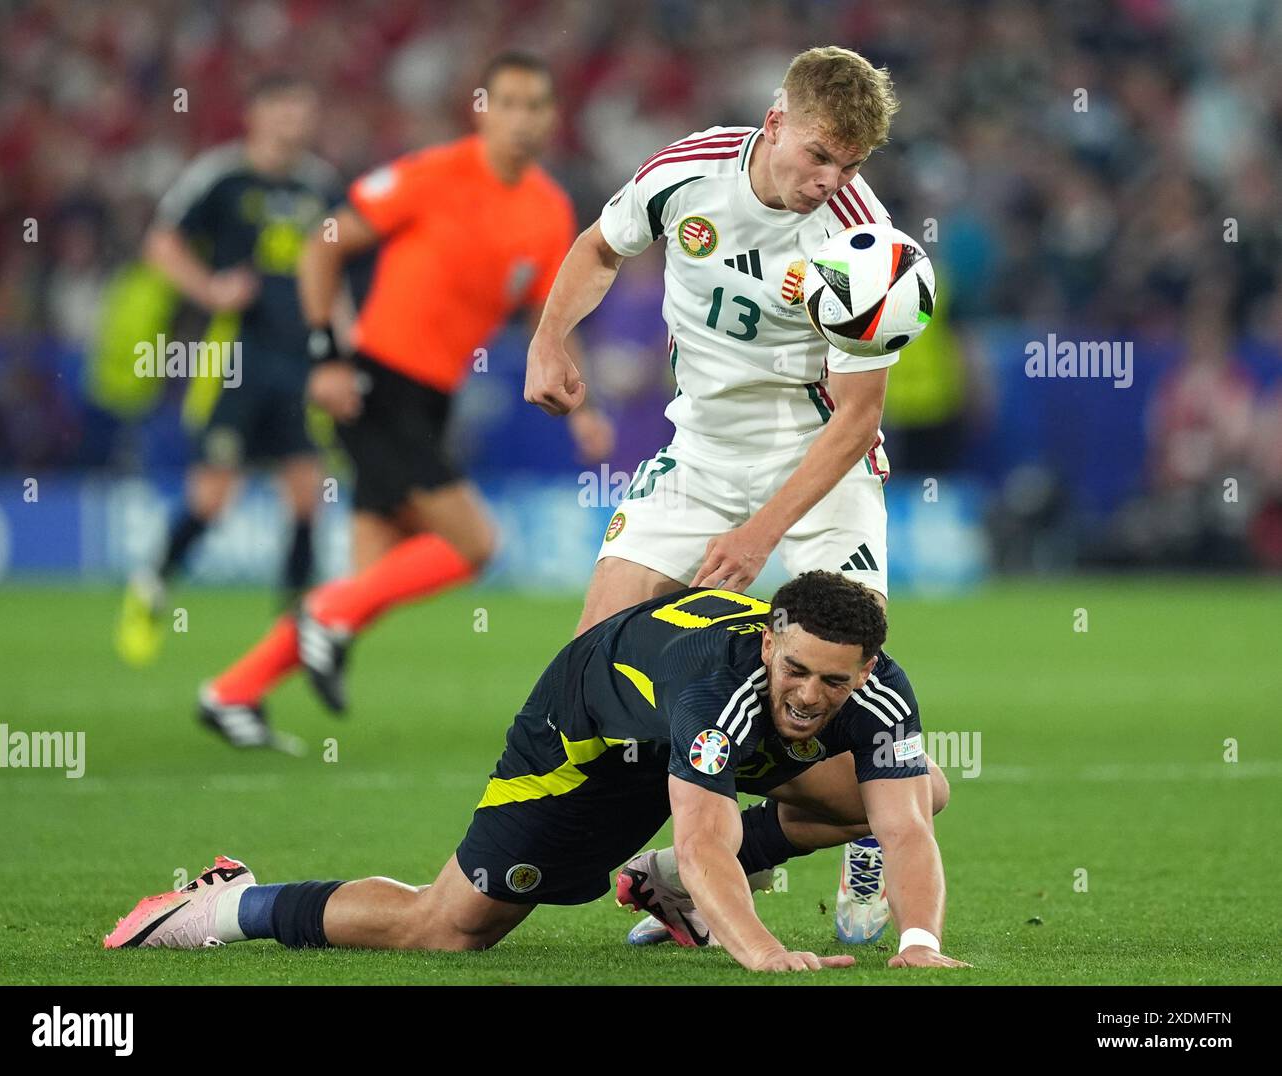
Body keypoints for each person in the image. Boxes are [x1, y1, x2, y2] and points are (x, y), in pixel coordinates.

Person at [105, 572, 967, 973]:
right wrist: (766, 952)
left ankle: (657, 889)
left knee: (919, 786)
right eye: (798, 670)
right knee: (448, 927)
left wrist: (921, 946)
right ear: (772, 641)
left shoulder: (879, 690)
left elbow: (904, 827)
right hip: (586, 739)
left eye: (836, 680)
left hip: (683, 735)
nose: (813, 696)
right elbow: (708, 838)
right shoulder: (723, 687)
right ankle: (221, 906)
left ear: (868, 670)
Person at [524, 45, 907, 943]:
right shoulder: (686, 174)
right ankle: (684, 875)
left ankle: (846, 838)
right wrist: (550, 339)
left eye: (850, 165)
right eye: (819, 155)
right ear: (777, 120)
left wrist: (758, 534)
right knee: (591, 674)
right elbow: (598, 247)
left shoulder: (862, 241)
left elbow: (855, 420)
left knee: (825, 695)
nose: (830, 180)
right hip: (697, 460)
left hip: (822, 479)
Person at [196, 52, 611, 746]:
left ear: (552, 117)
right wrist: (326, 355)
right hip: (373, 383)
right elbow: (318, 246)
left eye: (535, 105)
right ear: (482, 109)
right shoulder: (434, 173)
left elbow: (552, 316)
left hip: (431, 397)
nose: (521, 118)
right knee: (474, 544)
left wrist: (587, 406)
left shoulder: (547, 208)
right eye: (507, 102)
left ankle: (233, 691)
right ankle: (318, 620)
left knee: (373, 578)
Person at [115, 74, 342, 666]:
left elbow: (333, 262)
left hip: (299, 361)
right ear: (256, 114)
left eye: (303, 109)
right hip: (235, 358)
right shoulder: (221, 175)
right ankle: (152, 587)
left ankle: (292, 634)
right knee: (215, 496)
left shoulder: (319, 186)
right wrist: (210, 289)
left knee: (305, 493)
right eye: (283, 108)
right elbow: (161, 243)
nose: (294, 121)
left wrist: (340, 335)